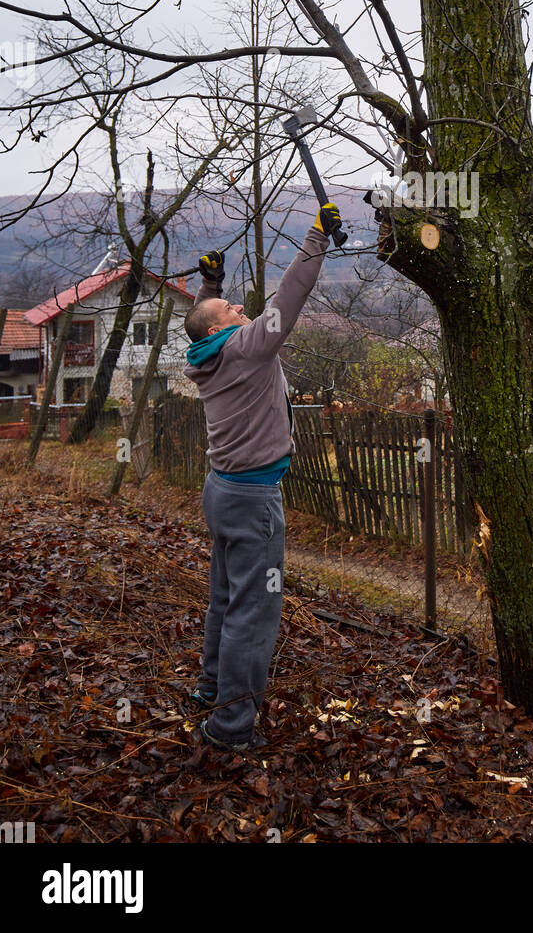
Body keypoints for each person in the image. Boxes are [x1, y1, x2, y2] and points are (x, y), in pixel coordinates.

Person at [183, 204, 342, 751]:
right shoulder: (246, 348)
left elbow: (203, 314)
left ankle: (211, 692)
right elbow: (289, 300)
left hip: (221, 491)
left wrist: (210, 280)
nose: (238, 307)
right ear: (222, 327)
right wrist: (317, 237)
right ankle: (230, 729)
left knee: (226, 599)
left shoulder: (209, 351)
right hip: (252, 501)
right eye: (230, 306)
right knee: (252, 615)